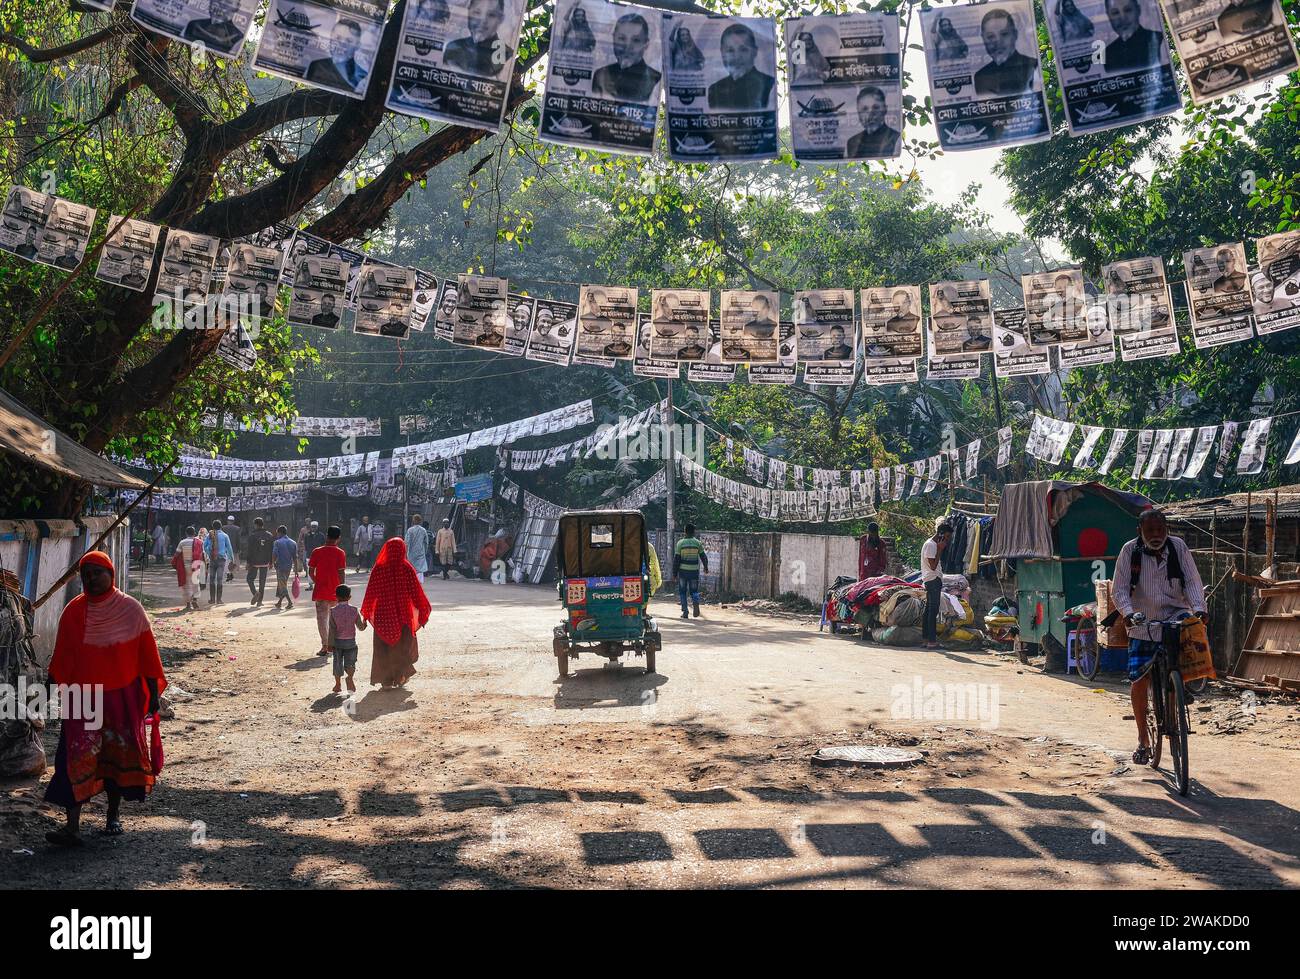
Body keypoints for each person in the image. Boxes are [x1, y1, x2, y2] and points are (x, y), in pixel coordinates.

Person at [43, 551, 166, 846]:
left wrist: (152, 695)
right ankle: (71, 827)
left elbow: (147, 656)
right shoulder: (74, 611)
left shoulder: (131, 610)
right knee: (74, 759)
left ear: (110, 573)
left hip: (121, 698)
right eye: (86, 575)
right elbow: (62, 655)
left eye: (97, 572)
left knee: (115, 759)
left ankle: (113, 817)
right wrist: (48, 687)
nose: (91, 579)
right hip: (82, 700)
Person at [1112, 510, 1207, 765]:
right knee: (1139, 680)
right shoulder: (1129, 552)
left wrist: (1199, 608)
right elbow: (1119, 589)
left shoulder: (1178, 547)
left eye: (1160, 530)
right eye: (1150, 530)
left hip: (1175, 614)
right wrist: (1129, 613)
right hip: (1143, 622)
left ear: (1166, 529)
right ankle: (1143, 739)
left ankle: (1180, 685)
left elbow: (1192, 580)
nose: (1156, 535)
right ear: (1140, 531)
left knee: (1190, 649)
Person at [362, 538, 432, 688]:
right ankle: (399, 677)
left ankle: (386, 681)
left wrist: (366, 613)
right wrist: (423, 611)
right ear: (403, 550)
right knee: (402, 646)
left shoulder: (379, 568)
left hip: (383, 614)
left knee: (383, 647)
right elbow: (416, 593)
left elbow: (371, 593)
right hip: (402, 615)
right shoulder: (406, 568)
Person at [591, 13, 661, 101]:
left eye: (636, 40)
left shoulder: (656, 80)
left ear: (646, 44)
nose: (627, 46)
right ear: (613, 38)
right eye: (622, 38)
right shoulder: (601, 76)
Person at [707, 22, 775, 110]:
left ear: (754, 52)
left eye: (743, 49)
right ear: (722, 53)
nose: (737, 57)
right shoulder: (715, 90)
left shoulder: (768, 84)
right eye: (730, 50)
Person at [973, 9, 1037, 96]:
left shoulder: (1033, 65)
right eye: (990, 36)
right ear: (983, 39)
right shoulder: (980, 77)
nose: (998, 41)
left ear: (1015, 35)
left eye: (1004, 34)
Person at [444, 0, 513, 78]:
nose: (482, 20)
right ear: (468, 12)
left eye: (491, 15)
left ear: (500, 19)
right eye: (477, 12)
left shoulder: (507, 55)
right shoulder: (453, 48)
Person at [308, 526, 347, 657]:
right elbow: (341, 573)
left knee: (322, 619)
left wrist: (317, 581)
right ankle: (334, 644)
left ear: (326, 536)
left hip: (320, 591)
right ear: (339, 538)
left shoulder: (316, 551)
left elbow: (311, 571)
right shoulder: (340, 553)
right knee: (334, 620)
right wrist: (343, 589)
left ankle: (325, 646)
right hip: (336, 591)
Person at [305, 19, 368, 92]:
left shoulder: (362, 77)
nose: (342, 43)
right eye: (338, 38)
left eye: (349, 41)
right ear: (330, 38)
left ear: (358, 46)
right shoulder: (315, 65)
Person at [1103, 0, 1162, 72]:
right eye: (1115, 13)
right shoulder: (1108, 54)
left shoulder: (1160, 40)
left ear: (1138, 10)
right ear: (1108, 16)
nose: (1122, 18)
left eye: (1127, 10)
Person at [328, 585, 367, 694]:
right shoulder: (354, 610)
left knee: (337, 663)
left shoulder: (333, 611)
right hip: (351, 642)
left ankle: (337, 685)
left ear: (336, 597)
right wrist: (364, 624)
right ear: (349, 597)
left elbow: (332, 629)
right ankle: (349, 678)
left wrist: (329, 644)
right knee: (351, 663)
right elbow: (360, 627)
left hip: (337, 643)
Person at [845, 86, 900, 159]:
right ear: (858, 112)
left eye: (876, 107)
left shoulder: (896, 138)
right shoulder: (851, 143)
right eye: (865, 109)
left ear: (885, 109)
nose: (870, 113)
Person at [921, 522, 952, 649]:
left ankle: (926, 639)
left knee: (929, 609)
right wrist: (940, 549)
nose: (948, 540)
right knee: (932, 610)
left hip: (933, 579)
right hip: (932, 579)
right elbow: (933, 566)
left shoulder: (931, 544)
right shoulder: (931, 545)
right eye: (947, 536)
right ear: (941, 534)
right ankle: (931, 641)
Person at [673, 525, 709, 620]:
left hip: (683, 572)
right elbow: (703, 557)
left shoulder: (680, 543)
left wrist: (674, 573)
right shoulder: (697, 543)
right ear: (694, 532)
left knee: (682, 591)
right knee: (694, 591)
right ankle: (696, 603)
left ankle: (685, 611)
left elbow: (676, 559)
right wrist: (706, 567)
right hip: (694, 571)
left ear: (685, 531)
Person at [245, 516, 274, 606]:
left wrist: (248, 562)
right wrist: (271, 562)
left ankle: (255, 593)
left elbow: (249, 550)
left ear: (256, 525)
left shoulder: (252, 536)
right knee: (262, 582)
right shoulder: (269, 535)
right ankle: (260, 601)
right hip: (265, 562)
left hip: (254, 562)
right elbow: (272, 549)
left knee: (249, 579)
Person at [173, 525, 202, 611]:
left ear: (186, 533)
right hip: (196, 565)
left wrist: (174, 563)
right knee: (195, 584)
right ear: (194, 533)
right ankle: (195, 599)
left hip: (185, 566)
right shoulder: (200, 542)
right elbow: (202, 554)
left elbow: (177, 554)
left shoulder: (182, 542)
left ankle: (188, 604)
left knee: (187, 585)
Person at [205, 519, 233, 606]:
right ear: (221, 526)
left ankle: (212, 599)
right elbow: (229, 548)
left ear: (213, 527)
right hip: (221, 559)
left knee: (212, 579)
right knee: (220, 579)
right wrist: (231, 559)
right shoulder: (225, 536)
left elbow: (204, 546)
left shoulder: (209, 535)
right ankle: (219, 600)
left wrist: (209, 552)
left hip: (212, 559)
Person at [272, 525, 298, 610]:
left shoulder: (277, 542)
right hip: (288, 566)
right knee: (283, 583)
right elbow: (295, 557)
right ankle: (279, 602)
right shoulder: (293, 542)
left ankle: (290, 602)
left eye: (277, 533)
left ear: (280, 532)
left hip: (280, 566)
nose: (277, 535)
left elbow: (274, 554)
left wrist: (272, 563)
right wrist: (296, 569)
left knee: (282, 585)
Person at [405, 514, 430, 583]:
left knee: (411, 567)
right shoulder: (423, 530)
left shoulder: (410, 530)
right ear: (420, 521)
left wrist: (406, 552)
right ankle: (419, 582)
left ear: (413, 520)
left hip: (411, 553)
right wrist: (425, 551)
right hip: (420, 552)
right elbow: (426, 542)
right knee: (420, 567)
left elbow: (406, 542)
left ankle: (411, 581)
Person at [224, 515, 241, 581]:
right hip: (234, 548)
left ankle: (228, 574)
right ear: (233, 521)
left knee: (227, 562)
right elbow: (238, 540)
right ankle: (232, 573)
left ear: (227, 520)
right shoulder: (237, 528)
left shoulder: (223, 528)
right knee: (234, 562)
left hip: (225, 548)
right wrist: (239, 548)